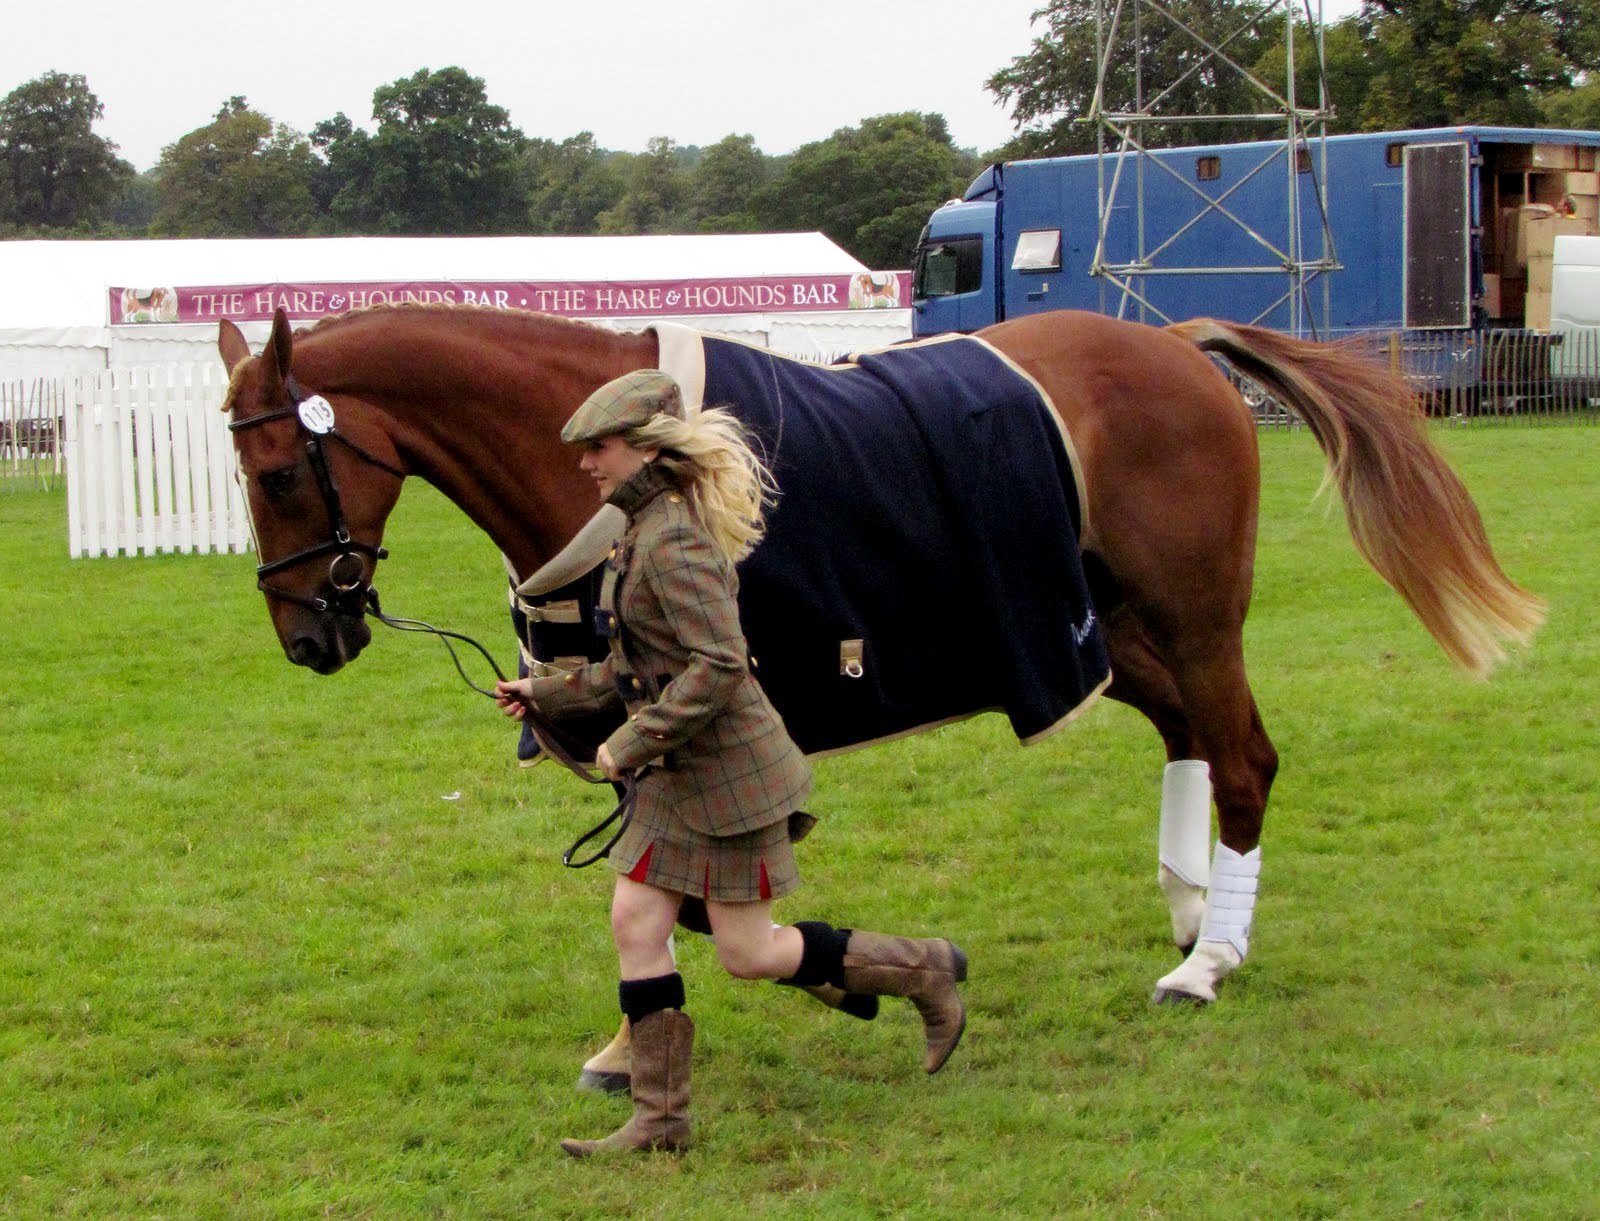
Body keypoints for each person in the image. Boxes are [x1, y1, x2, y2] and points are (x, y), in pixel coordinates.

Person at [494, 369, 969, 1157]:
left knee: (749, 953)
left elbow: (718, 666)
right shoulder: (640, 528)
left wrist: (627, 743)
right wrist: (545, 692)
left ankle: (926, 971)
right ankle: (661, 1120)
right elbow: (636, 665)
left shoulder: (672, 540)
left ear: (646, 450)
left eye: (599, 447)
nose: (585, 463)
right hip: (678, 772)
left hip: (726, 776)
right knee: (635, 919)